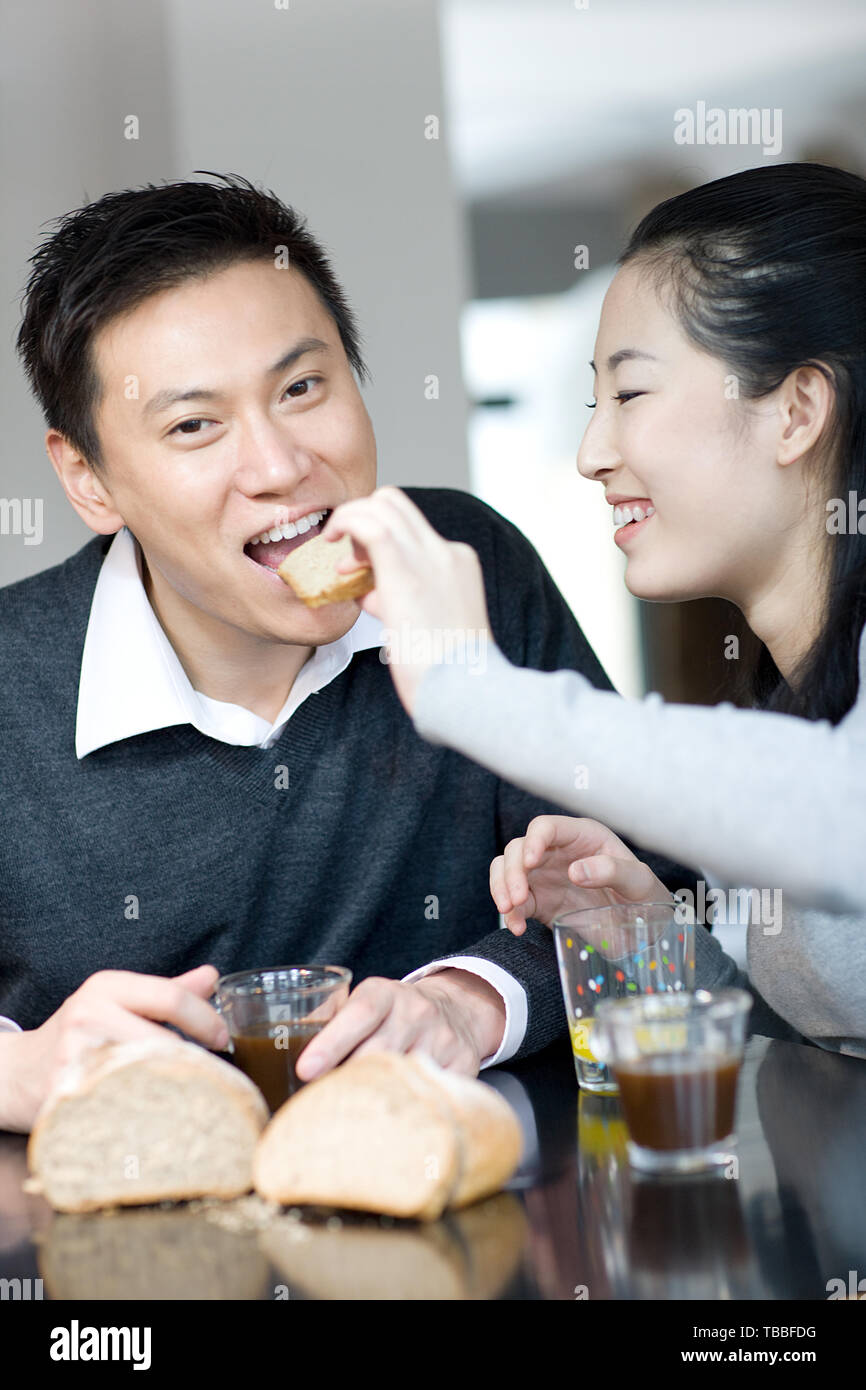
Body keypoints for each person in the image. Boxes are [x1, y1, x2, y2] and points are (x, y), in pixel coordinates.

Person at [0, 173, 698, 1133]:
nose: (281, 466)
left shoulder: (462, 566)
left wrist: (469, 1003)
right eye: (195, 425)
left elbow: (648, 908)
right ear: (88, 479)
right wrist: (21, 1070)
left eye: (300, 388)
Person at [322, 163, 866, 1058]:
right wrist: (652, 938)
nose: (590, 451)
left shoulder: (818, 778)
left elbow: (845, 814)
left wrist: (473, 689)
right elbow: (829, 1040)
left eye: (630, 394)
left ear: (796, 409)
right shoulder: (794, 695)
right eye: (592, 400)